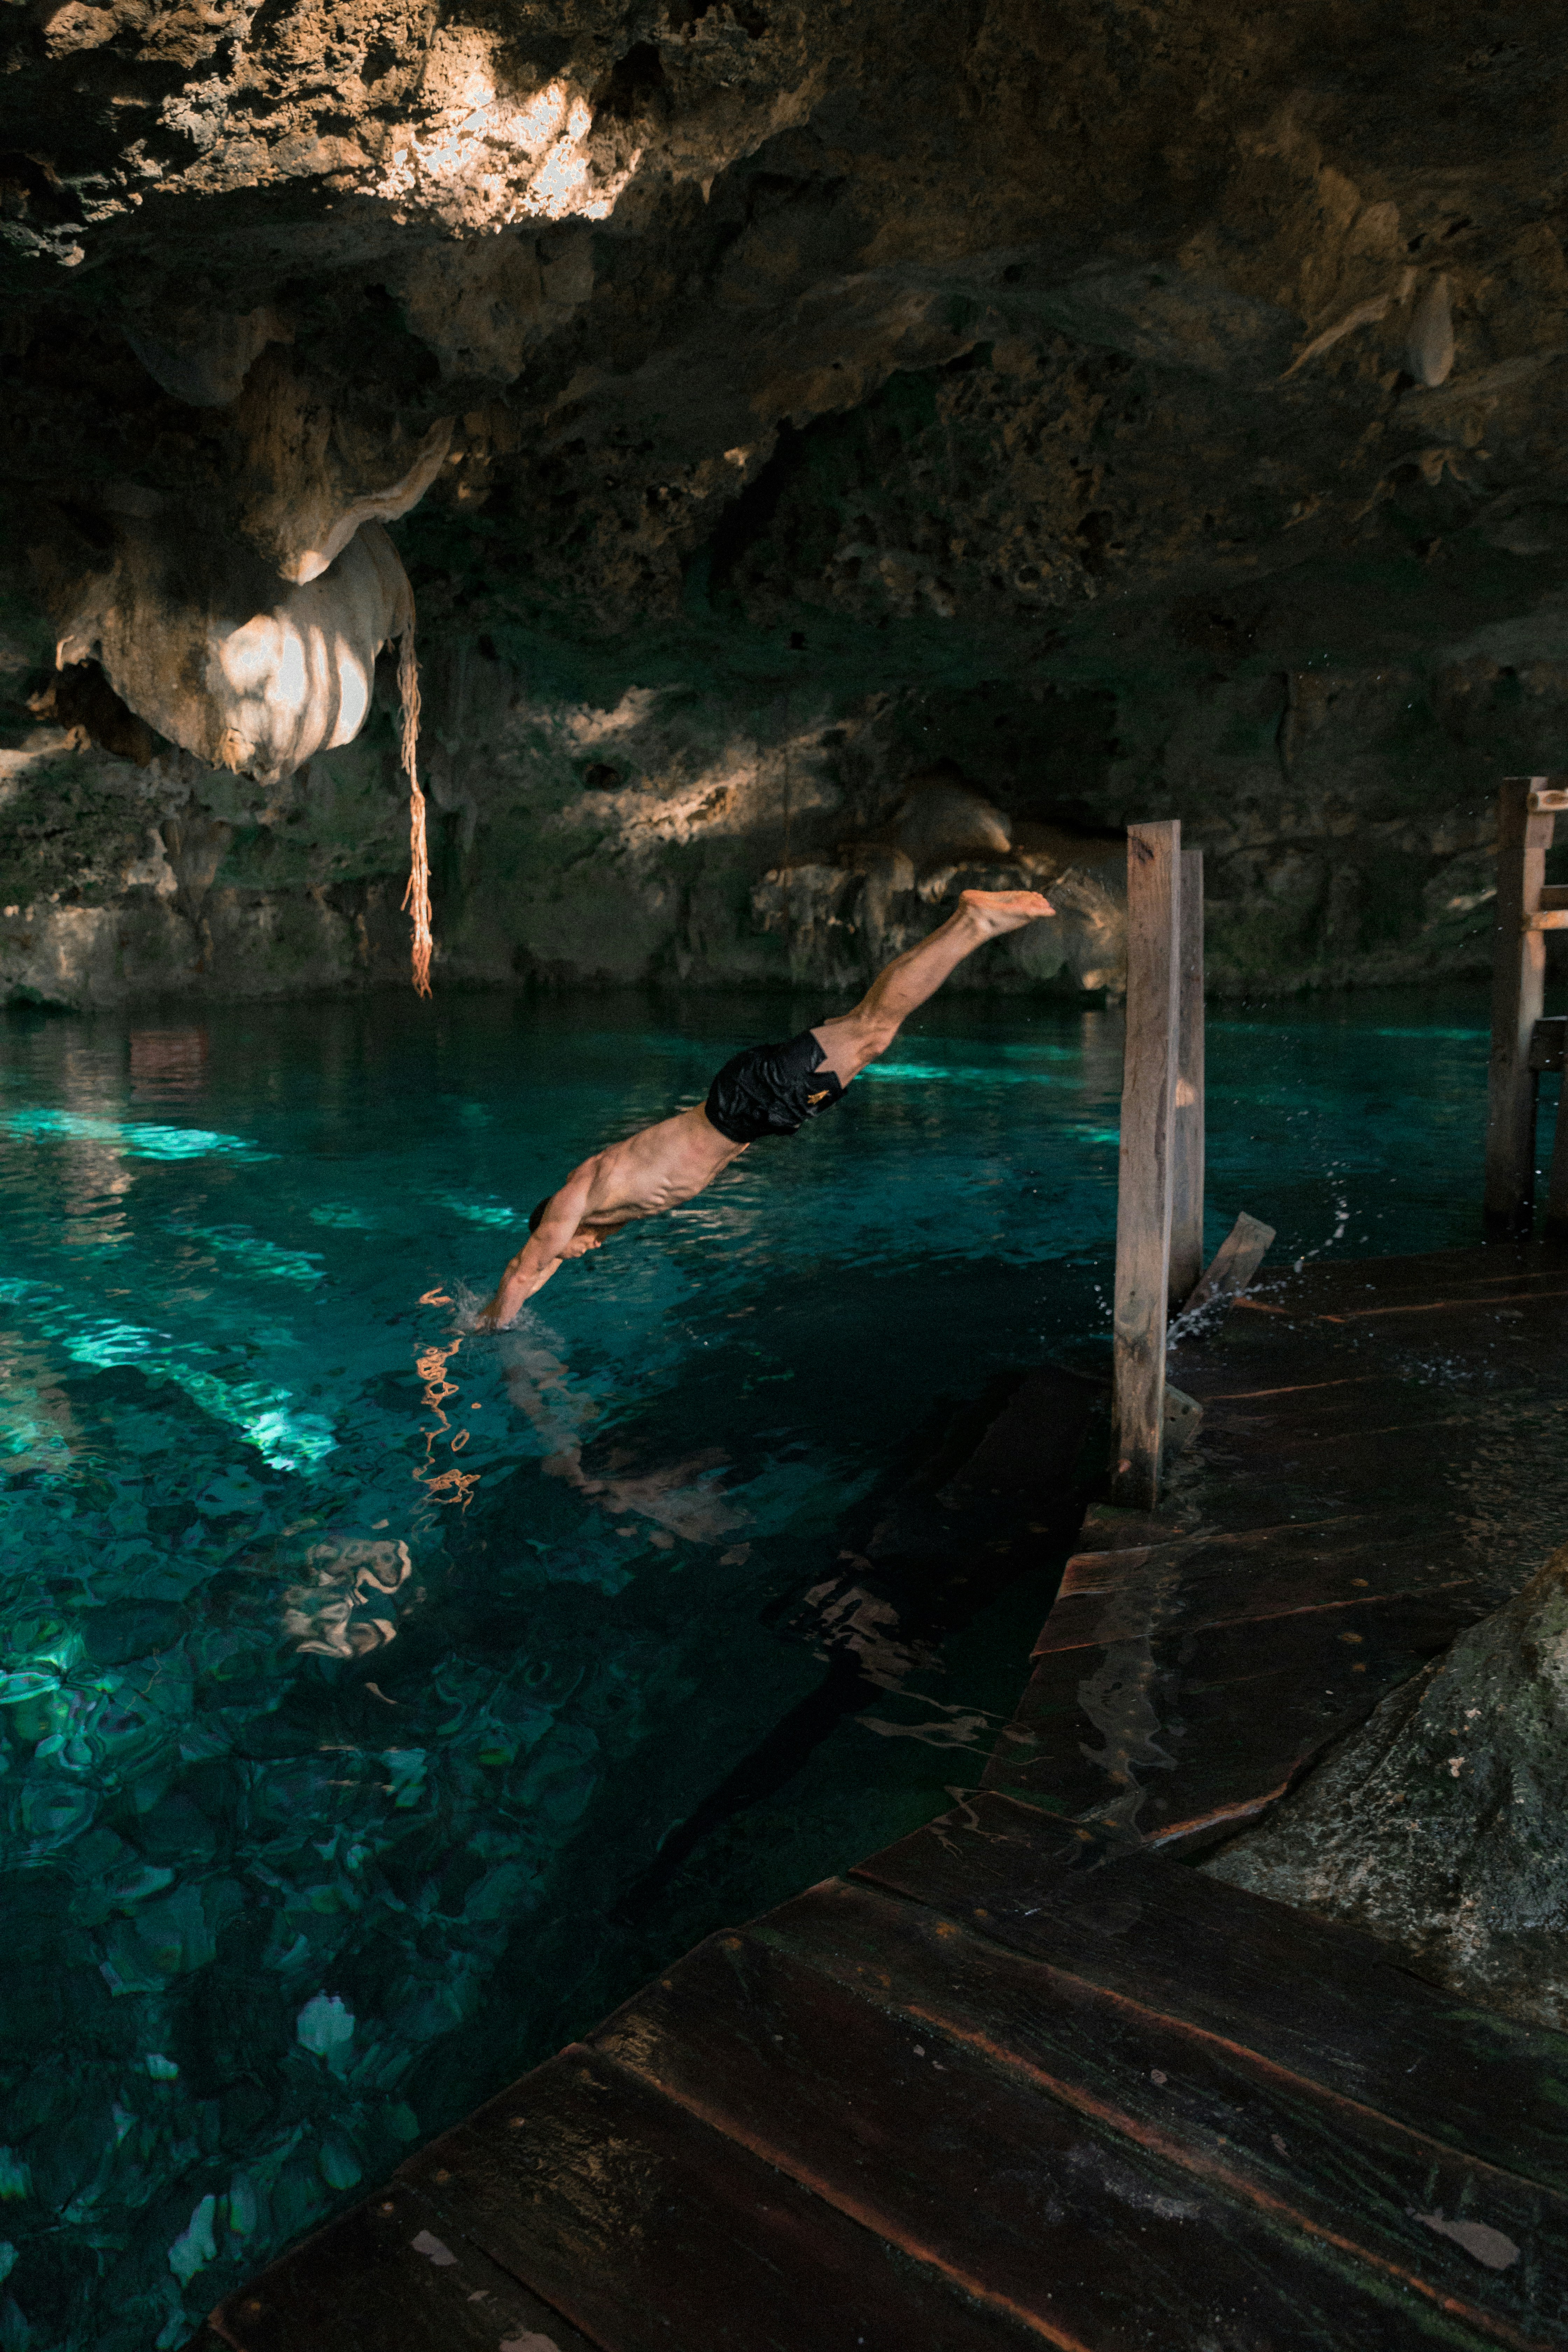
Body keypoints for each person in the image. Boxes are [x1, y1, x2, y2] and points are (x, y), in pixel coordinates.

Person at [475, 887, 1055, 1329]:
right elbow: (539, 1268)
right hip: (754, 1110)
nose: (583, 1251)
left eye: (573, 1247)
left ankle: (974, 921)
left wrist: (486, 1330)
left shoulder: (579, 1195)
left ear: (556, 1221)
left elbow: (529, 1267)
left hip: (745, 1102)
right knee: (869, 1034)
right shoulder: (606, 1208)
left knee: (872, 1030)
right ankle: (973, 924)